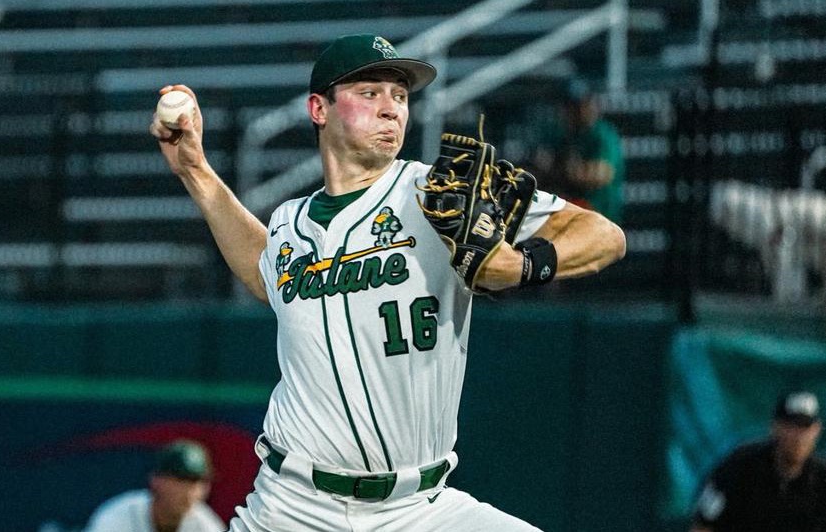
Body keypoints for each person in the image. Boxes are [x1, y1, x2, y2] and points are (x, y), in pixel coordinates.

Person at [150, 33, 626, 531]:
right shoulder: (291, 221)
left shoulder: (437, 193)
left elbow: (603, 234)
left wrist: (522, 265)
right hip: (292, 506)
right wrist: (197, 172)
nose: (391, 108)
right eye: (370, 92)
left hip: (420, 508)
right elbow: (264, 271)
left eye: (399, 96)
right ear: (319, 108)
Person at [691, 390, 826, 532]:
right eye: (791, 427)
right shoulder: (739, 467)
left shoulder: (821, 480)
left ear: (816, 430)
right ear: (775, 427)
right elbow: (703, 523)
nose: (799, 437)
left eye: (805, 427)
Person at [532, 78, 624, 223]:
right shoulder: (559, 134)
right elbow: (538, 170)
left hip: (598, 217)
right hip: (566, 217)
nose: (575, 111)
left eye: (579, 105)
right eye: (569, 106)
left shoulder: (602, 134)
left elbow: (600, 174)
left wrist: (560, 171)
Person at [84, 440, 224, 532]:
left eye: (197, 482)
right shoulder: (116, 518)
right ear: (156, 481)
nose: (190, 491)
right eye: (181, 480)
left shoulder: (206, 526)